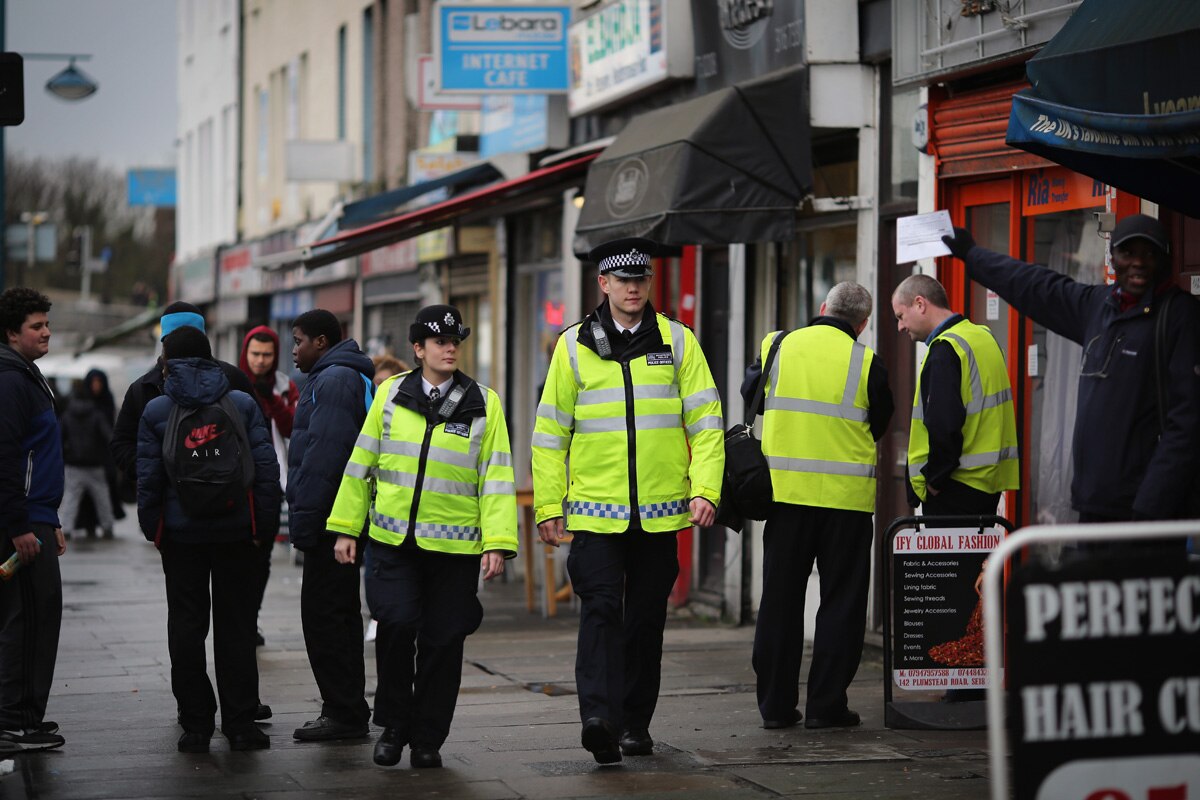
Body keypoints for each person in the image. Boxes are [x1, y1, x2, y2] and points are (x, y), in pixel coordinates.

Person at [532, 237, 725, 764]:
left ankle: (635, 723)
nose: (633, 287)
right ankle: (599, 718)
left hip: (662, 514)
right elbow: (550, 434)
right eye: (623, 280)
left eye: (640, 279)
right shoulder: (573, 347)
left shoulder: (679, 343)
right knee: (598, 611)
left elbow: (707, 426)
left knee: (644, 621)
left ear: (649, 283)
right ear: (604, 284)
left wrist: (707, 489)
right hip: (595, 513)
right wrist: (549, 506)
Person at [328, 305, 517, 769]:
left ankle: (428, 737)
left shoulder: (483, 403)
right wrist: (346, 527)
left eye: (455, 341)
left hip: (455, 550)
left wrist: (497, 542)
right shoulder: (391, 393)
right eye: (439, 342)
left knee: (444, 642)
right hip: (393, 543)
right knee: (393, 626)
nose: (450, 348)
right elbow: (361, 464)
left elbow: (496, 478)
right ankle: (394, 725)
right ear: (418, 349)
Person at [942, 216, 1200, 524]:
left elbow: (1187, 423)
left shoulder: (1180, 316)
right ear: (1113, 258)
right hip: (1093, 505)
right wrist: (972, 255)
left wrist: (1152, 503)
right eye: (1128, 253)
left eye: (1150, 253)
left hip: (1145, 514)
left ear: (1165, 259)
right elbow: (1036, 286)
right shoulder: (1099, 306)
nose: (1139, 263)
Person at [742, 282, 894, 731]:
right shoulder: (868, 362)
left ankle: (774, 707)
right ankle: (826, 706)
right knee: (842, 605)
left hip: (785, 498)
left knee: (780, 603)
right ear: (862, 324)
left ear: (822, 308)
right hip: (846, 505)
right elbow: (879, 423)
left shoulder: (778, 344)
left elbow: (752, 396)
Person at [137, 326, 280, 753]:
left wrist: (155, 530)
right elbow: (267, 471)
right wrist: (265, 529)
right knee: (236, 628)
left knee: (186, 627)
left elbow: (148, 480)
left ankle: (196, 725)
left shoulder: (157, 410)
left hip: (182, 538)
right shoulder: (240, 402)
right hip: (237, 533)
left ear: (169, 362)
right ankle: (240, 724)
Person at [287, 309, 374, 743]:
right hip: (336, 519)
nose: (294, 350)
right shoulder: (333, 376)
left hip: (331, 522)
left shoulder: (335, 379)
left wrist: (307, 521)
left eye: (299, 340)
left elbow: (325, 457)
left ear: (321, 341)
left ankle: (343, 712)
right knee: (337, 616)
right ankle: (347, 707)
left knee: (325, 618)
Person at [891, 274, 1019, 516]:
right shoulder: (983, 337)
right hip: (986, 487)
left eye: (900, 316)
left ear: (920, 304)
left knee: (945, 557)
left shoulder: (945, 350)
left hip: (954, 489)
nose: (900, 326)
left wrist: (933, 482)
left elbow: (944, 425)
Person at [0, 288, 67, 753]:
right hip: (20, 523)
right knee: (26, 619)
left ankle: (25, 716)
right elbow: (5, 457)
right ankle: (12, 722)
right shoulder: (9, 381)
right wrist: (21, 524)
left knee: (41, 617)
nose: (46, 332)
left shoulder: (26, 374)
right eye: (36, 326)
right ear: (11, 333)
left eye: (46, 324)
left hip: (35, 515)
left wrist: (50, 516)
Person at [113, 302, 255, 481]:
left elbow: (257, 438)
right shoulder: (143, 388)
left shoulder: (232, 379)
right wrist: (154, 470)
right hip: (166, 497)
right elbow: (121, 444)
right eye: (174, 338)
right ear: (164, 342)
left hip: (226, 493)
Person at [238, 326, 299, 646]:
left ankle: (252, 620)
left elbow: (293, 427)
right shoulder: (232, 381)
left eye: (267, 355)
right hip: (236, 484)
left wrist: (271, 399)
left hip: (272, 483)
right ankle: (239, 619)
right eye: (255, 354)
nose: (260, 361)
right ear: (245, 353)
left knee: (262, 558)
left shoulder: (283, 386)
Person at [58, 379, 116, 540]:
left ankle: (66, 529)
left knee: (70, 498)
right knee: (102, 498)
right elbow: (108, 436)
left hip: (73, 464)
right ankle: (107, 527)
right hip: (95, 463)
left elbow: (59, 438)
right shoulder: (96, 414)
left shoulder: (67, 415)